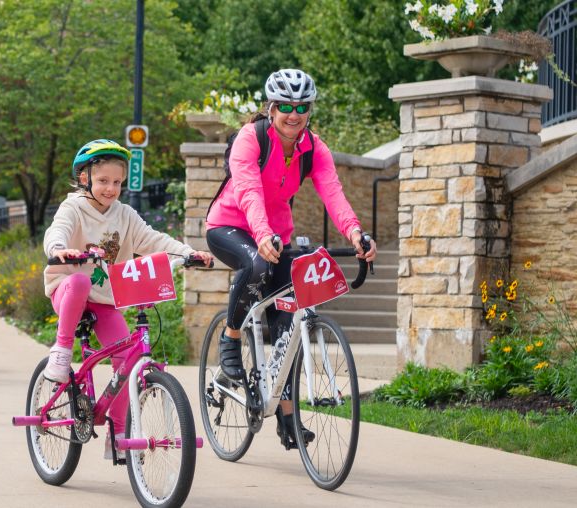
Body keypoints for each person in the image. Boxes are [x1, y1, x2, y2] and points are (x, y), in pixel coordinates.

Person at [205, 68, 377, 451]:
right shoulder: (251, 139)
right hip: (230, 226)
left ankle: (286, 417)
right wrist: (262, 234)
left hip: (275, 234)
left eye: (301, 107)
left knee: (287, 317)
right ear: (271, 107)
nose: (293, 114)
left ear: (310, 110)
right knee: (256, 265)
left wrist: (355, 233)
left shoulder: (313, 148)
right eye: (285, 106)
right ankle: (231, 339)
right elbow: (248, 191)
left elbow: (333, 194)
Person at [43, 138, 214, 459]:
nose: (110, 188)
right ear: (85, 179)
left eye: (117, 182)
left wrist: (189, 252)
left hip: (106, 300)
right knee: (79, 280)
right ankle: (62, 350)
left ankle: (118, 431)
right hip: (68, 292)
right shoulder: (73, 208)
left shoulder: (124, 214)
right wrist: (58, 250)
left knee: (129, 361)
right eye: (103, 181)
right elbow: (57, 231)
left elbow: (152, 239)